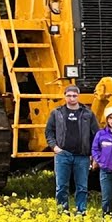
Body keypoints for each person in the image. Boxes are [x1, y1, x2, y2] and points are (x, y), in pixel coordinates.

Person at [44, 85, 96, 214]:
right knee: (61, 186)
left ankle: (81, 211)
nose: (71, 98)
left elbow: (96, 134)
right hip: (63, 155)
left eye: (74, 96)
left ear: (78, 96)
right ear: (64, 96)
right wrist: (55, 147)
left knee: (82, 187)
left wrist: (93, 154)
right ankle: (62, 210)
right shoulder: (57, 113)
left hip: (82, 156)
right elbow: (49, 131)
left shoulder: (88, 113)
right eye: (69, 95)